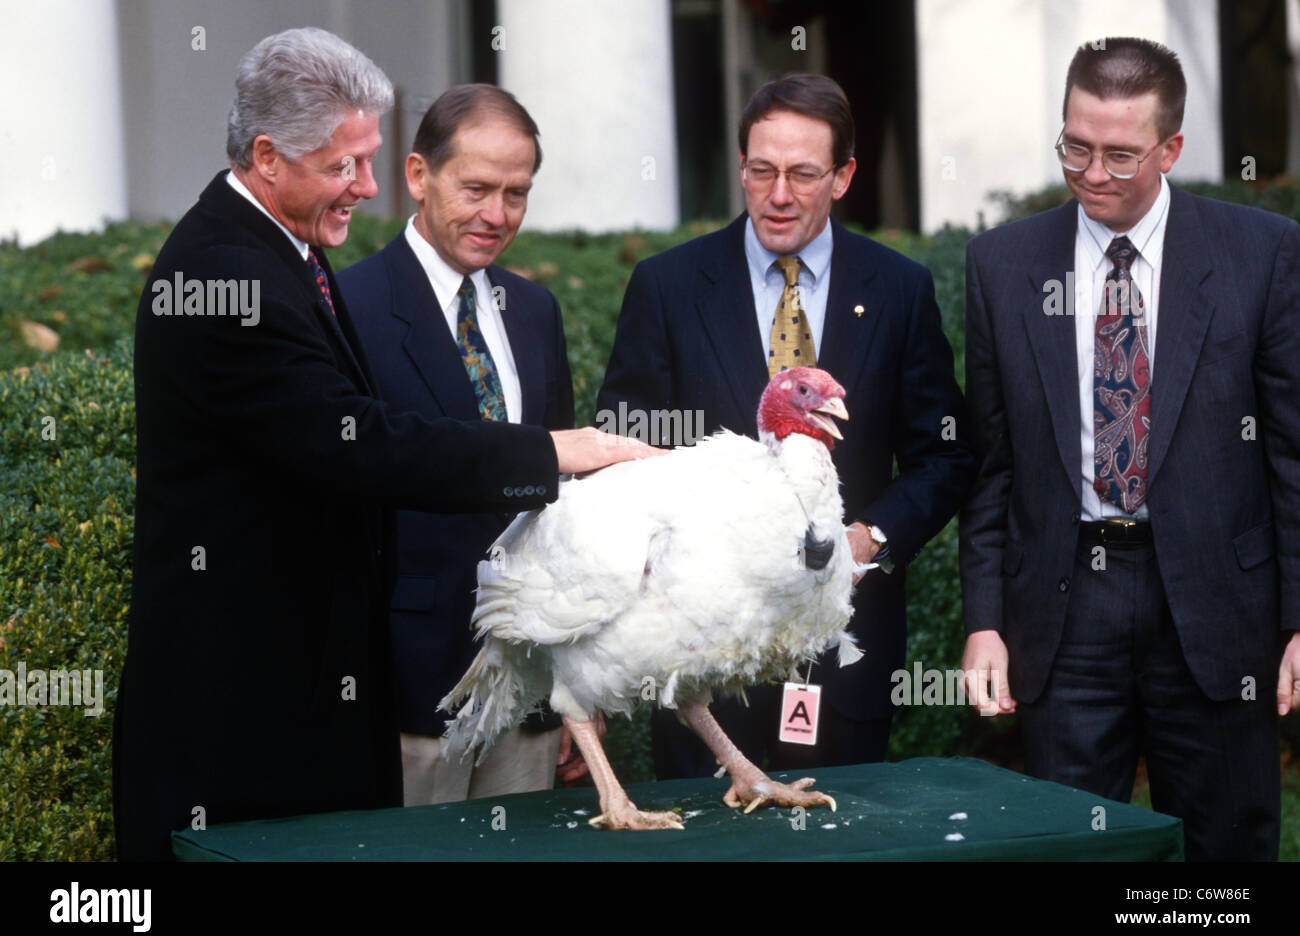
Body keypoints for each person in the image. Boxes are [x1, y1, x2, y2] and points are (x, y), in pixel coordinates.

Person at [113, 27, 655, 861]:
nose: (367, 187)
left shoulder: (284, 251)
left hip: (305, 707)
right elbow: (363, 445)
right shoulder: (223, 278)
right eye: (344, 165)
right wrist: (550, 453)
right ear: (267, 156)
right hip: (248, 723)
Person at [960, 36, 1300, 861]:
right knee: (1073, 846)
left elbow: (1292, 458)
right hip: (1066, 605)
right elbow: (990, 462)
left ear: (1171, 150)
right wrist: (984, 623)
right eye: (1075, 146)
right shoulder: (1003, 264)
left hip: (1221, 608)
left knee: (1228, 850)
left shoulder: (1260, 254)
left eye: (1120, 154)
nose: (1093, 172)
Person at [598, 73, 973, 778]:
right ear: (741, 167)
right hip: (697, 652)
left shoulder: (899, 289)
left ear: (843, 176)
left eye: (803, 174)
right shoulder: (667, 286)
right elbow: (623, 451)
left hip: (842, 651)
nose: (777, 195)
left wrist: (871, 539)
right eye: (761, 170)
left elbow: (945, 454)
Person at [338, 85, 589, 804]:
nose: (496, 215)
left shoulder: (535, 311)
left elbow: (561, 506)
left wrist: (575, 686)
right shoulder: (349, 307)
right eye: (476, 188)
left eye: (517, 193)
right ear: (418, 176)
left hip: (531, 690)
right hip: (407, 694)